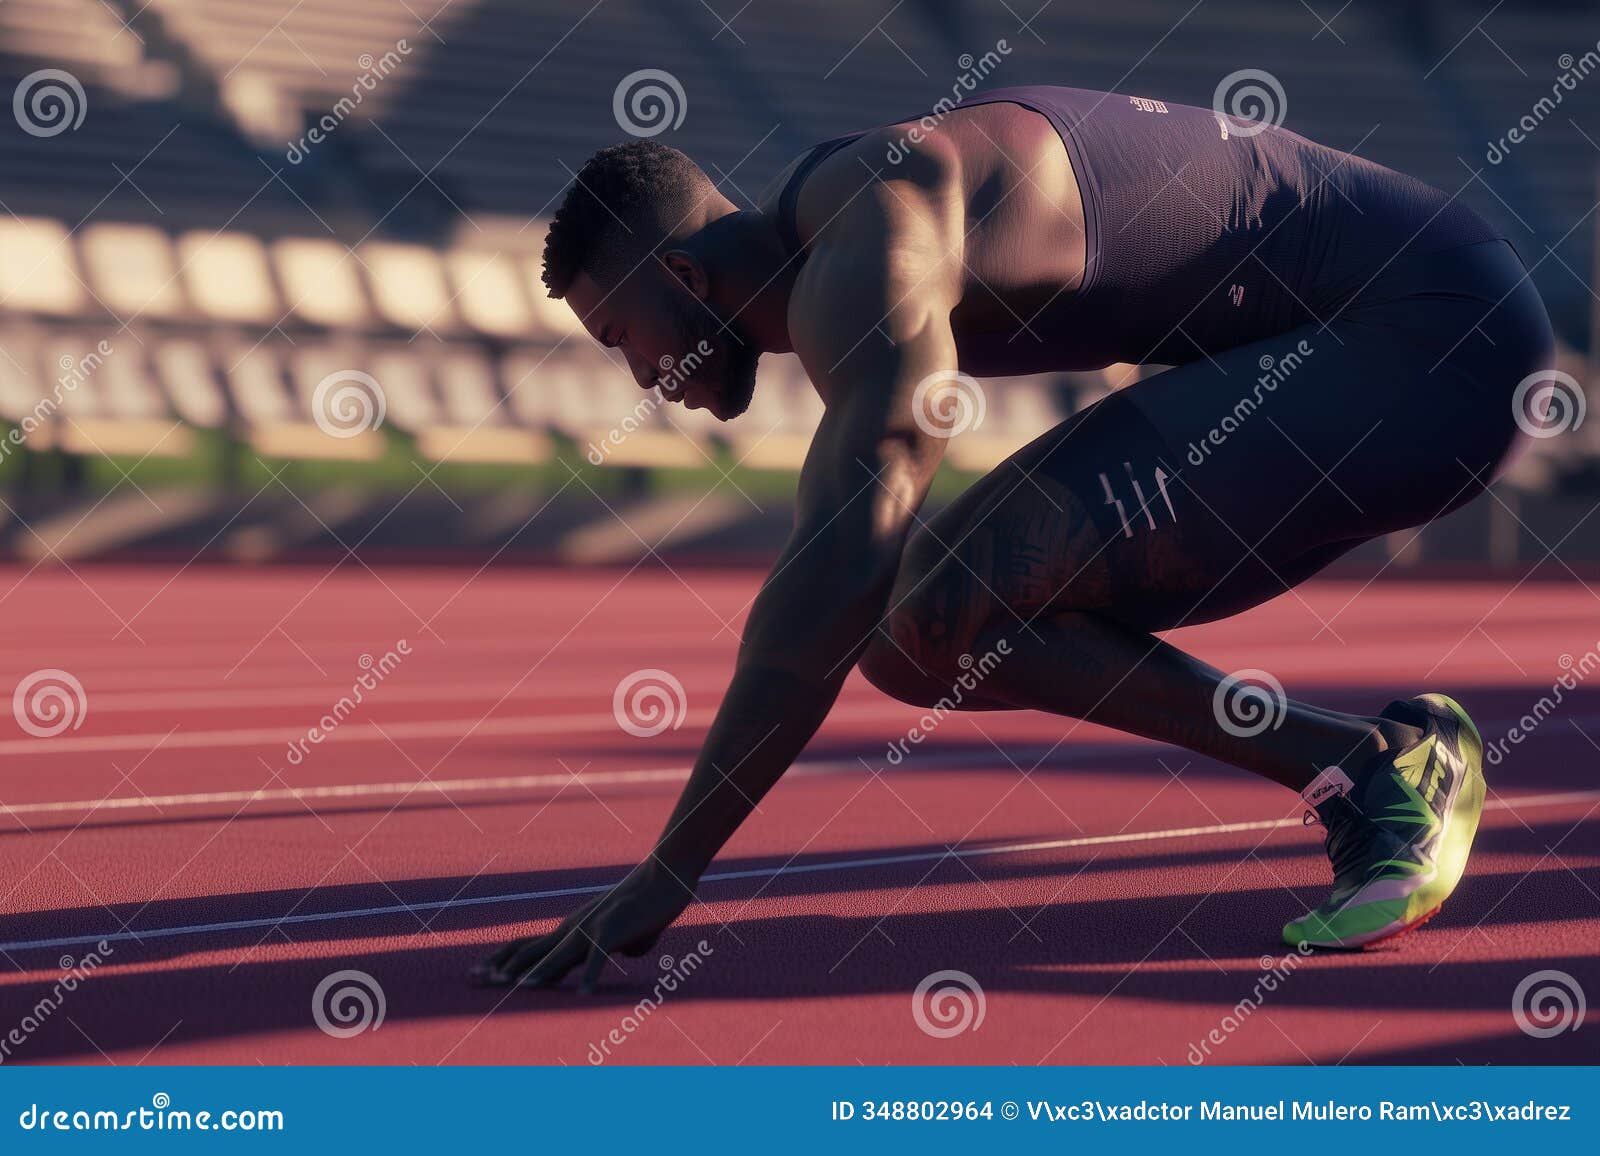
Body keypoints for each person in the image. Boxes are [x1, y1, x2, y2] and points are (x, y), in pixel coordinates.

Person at [472, 85, 1553, 990]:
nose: (637, 376)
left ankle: (1374, 775)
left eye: (619, 336)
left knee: (924, 606)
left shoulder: (868, 244)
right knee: (915, 634)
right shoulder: (833, 221)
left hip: (1432, 337)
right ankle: (1365, 760)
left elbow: (837, 557)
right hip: (1377, 333)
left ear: (684, 276)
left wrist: (670, 869)